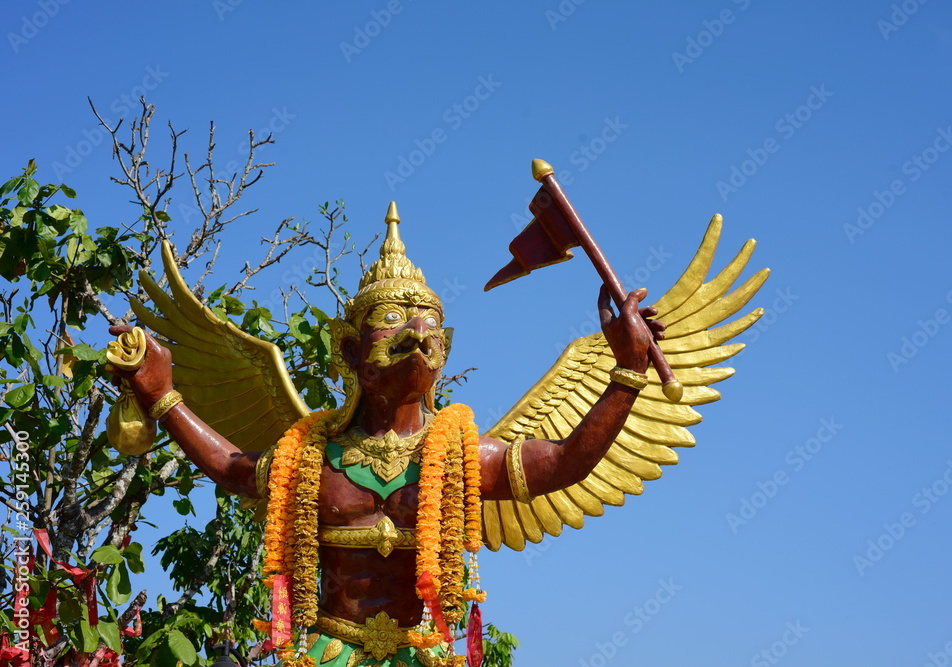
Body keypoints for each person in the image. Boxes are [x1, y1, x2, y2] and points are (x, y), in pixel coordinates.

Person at [109, 203, 664, 666]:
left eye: (427, 322)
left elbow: (565, 463)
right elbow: (232, 468)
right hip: (326, 653)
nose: (416, 333)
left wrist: (628, 374)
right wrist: (161, 396)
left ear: (445, 351)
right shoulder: (309, 456)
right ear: (350, 348)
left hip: (421, 654)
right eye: (396, 317)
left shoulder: (461, 456)